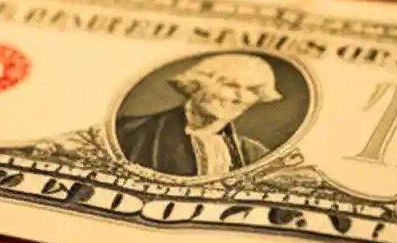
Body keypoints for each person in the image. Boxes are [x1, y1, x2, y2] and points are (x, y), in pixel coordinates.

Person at [116, 53, 282, 177]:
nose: (240, 97)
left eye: (253, 91)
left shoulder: (254, 153)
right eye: (231, 85)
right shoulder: (130, 132)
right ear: (196, 84)